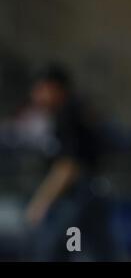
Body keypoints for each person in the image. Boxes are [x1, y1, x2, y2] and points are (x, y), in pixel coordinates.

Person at [23, 64, 114, 261]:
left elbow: (68, 166)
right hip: (92, 193)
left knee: (51, 252)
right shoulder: (73, 109)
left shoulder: (68, 112)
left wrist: (40, 202)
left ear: (54, 88)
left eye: (40, 88)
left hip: (79, 196)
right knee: (97, 252)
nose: (35, 95)